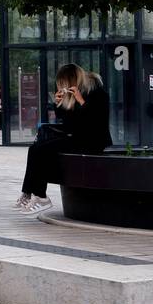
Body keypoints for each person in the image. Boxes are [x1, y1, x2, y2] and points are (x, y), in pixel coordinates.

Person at [14, 64, 111, 215]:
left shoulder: (98, 94)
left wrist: (81, 101)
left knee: (42, 150)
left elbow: (96, 122)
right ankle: (28, 192)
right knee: (35, 148)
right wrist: (58, 104)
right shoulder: (75, 94)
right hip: (77, 138)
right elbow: (69, 122)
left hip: (93, 141)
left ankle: (41, 197)